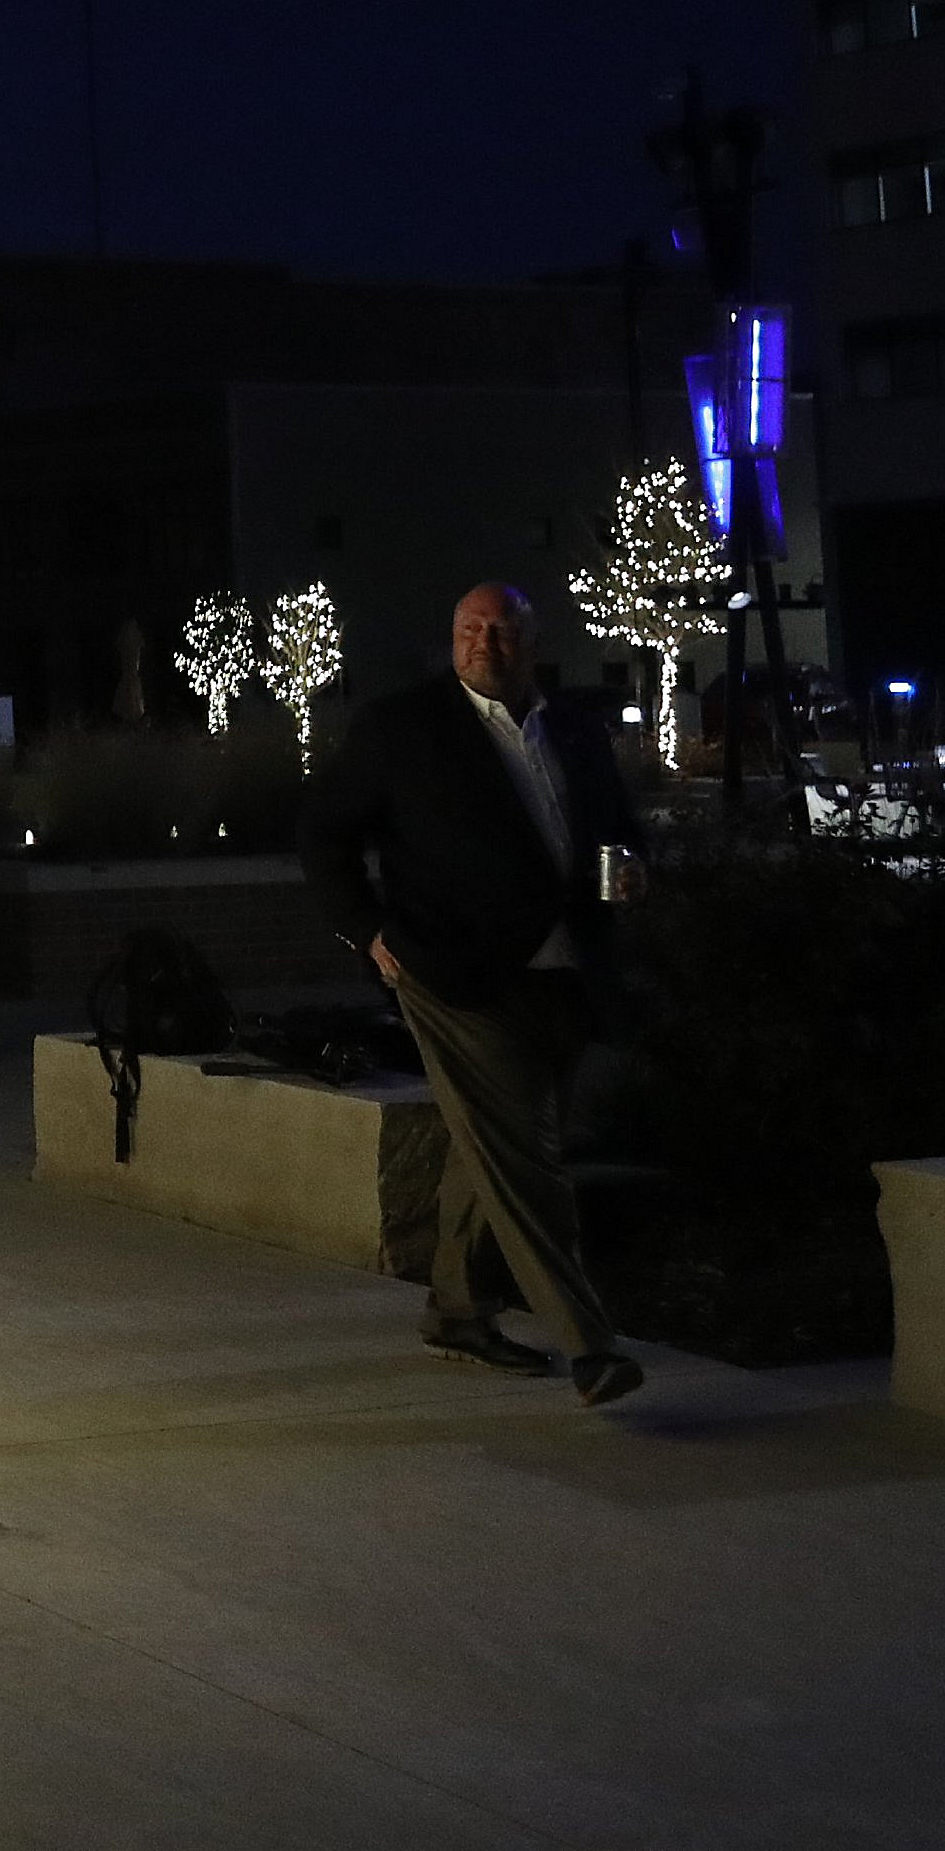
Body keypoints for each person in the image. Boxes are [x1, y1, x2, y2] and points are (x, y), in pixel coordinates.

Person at [300, 581, 650, 1409]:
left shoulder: (571, 726)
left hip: (565, 970)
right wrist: (368, 931)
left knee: (487, 1147)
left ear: (533, 640)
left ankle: (457, 1312)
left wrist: (632, 867)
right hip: (453, 973)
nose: (484, 644)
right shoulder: (403, 727)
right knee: (526, 1161)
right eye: (469, 629)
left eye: (501, 630)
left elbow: (614, 824)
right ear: (450, 637)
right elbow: (323, 833)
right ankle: (588, 1343)